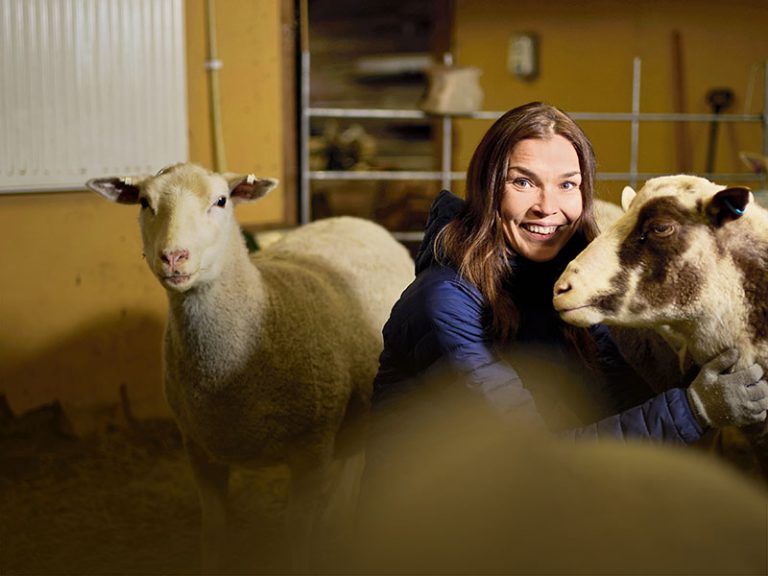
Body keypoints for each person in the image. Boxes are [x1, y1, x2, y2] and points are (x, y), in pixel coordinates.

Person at [370, 101, 768, 445]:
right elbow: (534, 456)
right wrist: (695, 409)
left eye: (568, 184)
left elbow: (619, 400)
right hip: (431, 512)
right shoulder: (446, 301)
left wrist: (699, 380)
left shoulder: (564, 282)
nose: (547, 206)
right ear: (487, 188)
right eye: (522, 182)